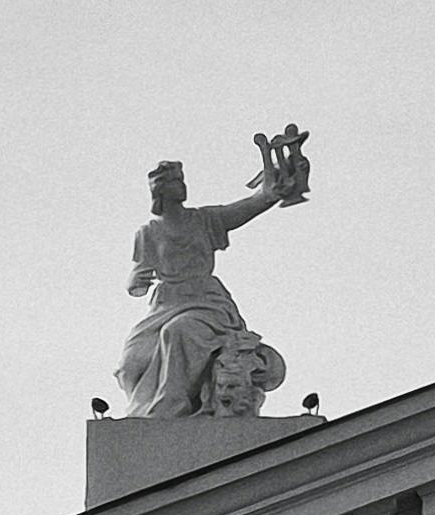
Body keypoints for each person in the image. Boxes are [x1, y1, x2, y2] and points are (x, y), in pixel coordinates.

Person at [114, 130, 309, 418]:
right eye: (175, 183)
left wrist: (271, 192)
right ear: (160, 191)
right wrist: (135, 282)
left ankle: (169, 407)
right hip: (166, 303)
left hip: (207, 303)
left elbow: (248, 206)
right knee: (131, 364)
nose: (182, 187)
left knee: (177, 333)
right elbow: (138, 276)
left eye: (182, 181)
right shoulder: (149, 232)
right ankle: (144, 411)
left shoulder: (204, 220)